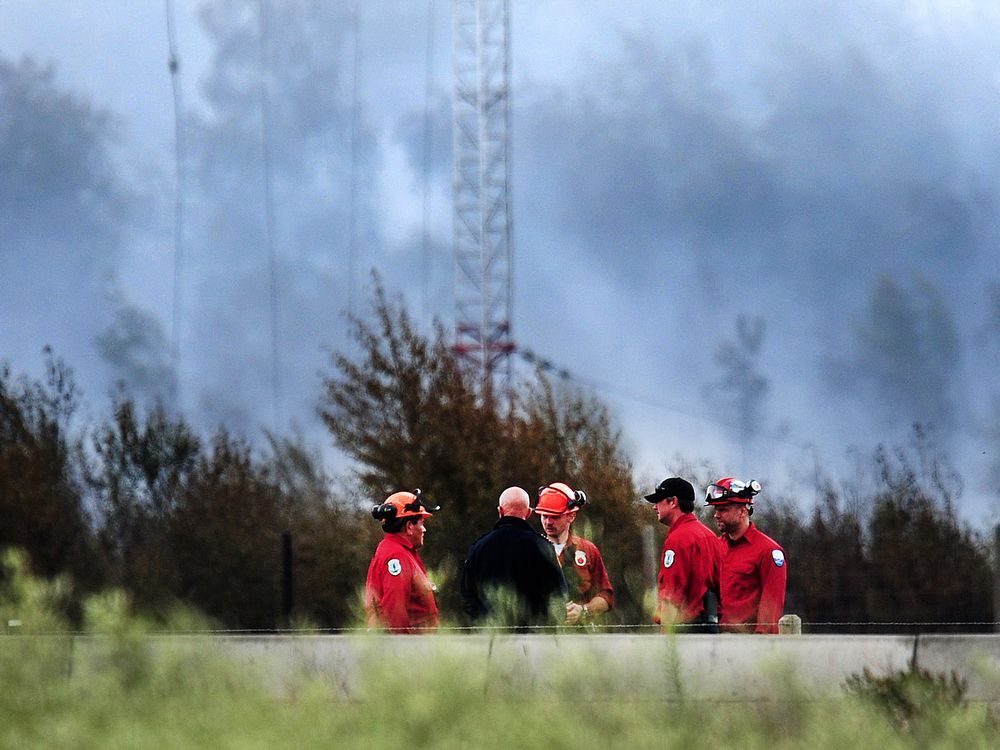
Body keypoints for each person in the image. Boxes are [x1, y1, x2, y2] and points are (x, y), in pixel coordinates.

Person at [460, 486, 567, 627]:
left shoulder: (479, 548)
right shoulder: (543, 547)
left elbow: (467, 597)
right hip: (534, 639)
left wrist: (482, 622)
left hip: (491, 637)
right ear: (528, 513)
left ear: (500, 511)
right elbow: (558, 596)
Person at [705, 477, 787, 634]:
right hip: (718, 642)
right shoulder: (716, 547)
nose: (716, 515)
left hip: (750, 645)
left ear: (742, 512)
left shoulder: (768, 551)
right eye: (715, 509)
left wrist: (761, 643)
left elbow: (771, 604)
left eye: (723, 509)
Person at [643, 476, 722, 632]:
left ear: (673, 502)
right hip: (711, 627)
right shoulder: (710, 535)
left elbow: (672, 596)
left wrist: (666, 640)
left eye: (659, 500)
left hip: (685, 631)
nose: (654, 507)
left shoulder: (678, 539)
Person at [534, 482, 614, 625]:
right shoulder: (533, 550)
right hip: (542, 635)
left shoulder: (587, 550)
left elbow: (606, 597)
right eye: (544, 516)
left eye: (555, 517)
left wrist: (583, 610)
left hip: (581, 637)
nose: (548, 522)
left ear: (571, 516)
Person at [364, 489, 440, 633]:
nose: (424, 529)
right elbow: (395, 609)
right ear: (409, 527)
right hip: (410, 650)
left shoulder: (401, 552)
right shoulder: (396, 556)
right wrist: (402, 648)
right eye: (421, 523)